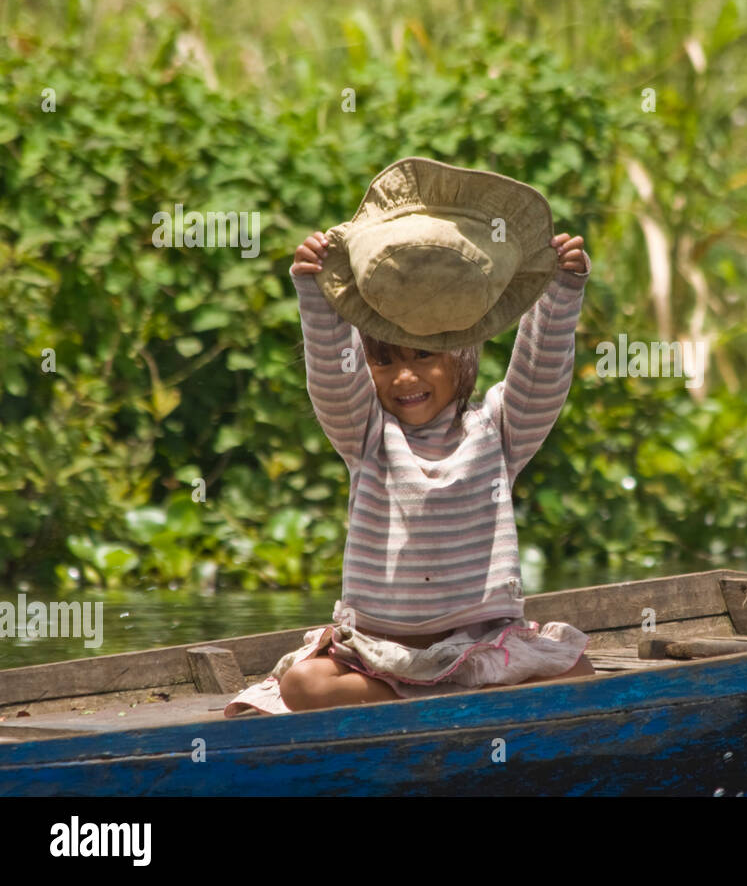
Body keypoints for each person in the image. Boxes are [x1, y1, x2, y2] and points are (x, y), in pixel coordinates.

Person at [226, 158, 596, 715]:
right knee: (304, 685)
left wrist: (563, 290)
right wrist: (314, 290)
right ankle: (433, 696)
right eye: (386, 361)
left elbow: (541, 371)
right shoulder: (366, 436)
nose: (405, 377)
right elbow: (332, 372)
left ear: (460, 359)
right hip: (382, 654)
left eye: (424, 357)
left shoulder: (496, 430)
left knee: (581, 669)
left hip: (478, 646)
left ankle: (445, 690)